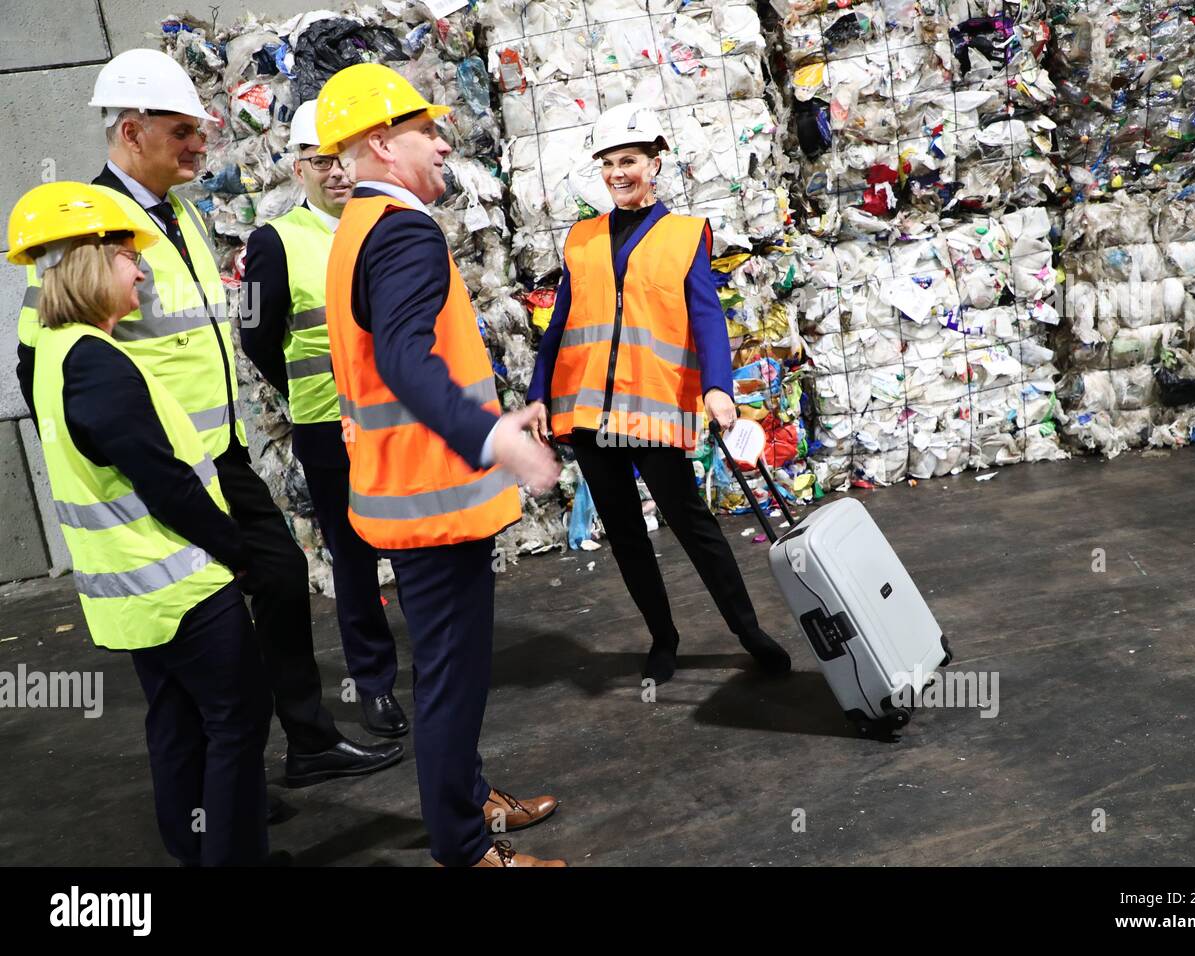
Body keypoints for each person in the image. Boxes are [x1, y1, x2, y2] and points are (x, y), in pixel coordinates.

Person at [12, 49, 400, 787]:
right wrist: (96, 454)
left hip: (217, 452)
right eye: (184, 131)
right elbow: (41, 360)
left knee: (278, 579)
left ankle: (299, 745)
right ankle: (225, 786)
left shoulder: (181, 214)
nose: (200, 146)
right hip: (155, 466)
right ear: (132, 132)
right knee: (207, 621)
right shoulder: (89, 224)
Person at [317, 63, 565, 867]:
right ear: (383, 144)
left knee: (448, 671)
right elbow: (404, 362)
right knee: (453, 680)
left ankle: (470, 802)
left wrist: (492, 417)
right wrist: (496, 442)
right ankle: (464, 848)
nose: (441, 142)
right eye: (427, 131)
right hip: (433, 499)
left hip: (407, 490)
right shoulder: (403, 230)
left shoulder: (356, 225)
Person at [7, 181, 272, 865]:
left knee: (179, 725)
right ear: (92, 263)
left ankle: (197, 847)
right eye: (129, 257)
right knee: (234, 724)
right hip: (180, 588)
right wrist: (236, 549)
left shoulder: (54, 354)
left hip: (136, 598)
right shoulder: (96, 363)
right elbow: (166, 484)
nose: (143, 269)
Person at [526, 103, 792, 685]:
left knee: (692, 524)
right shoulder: (581, 237)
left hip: (647, 407)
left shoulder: (683, 234)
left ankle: (748, 632)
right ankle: (662, 637)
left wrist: (719, 389)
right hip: (587, 409)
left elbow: (706, 315)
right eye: (608, 164)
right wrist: (539, 392)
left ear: (654, 164)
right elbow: (561, 324)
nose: (618, 173)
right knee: (623, 531)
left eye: (629, 161)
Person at [240, 101, 407, 739]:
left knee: (415, 543)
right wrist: (303, 392)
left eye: (343, 160)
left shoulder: (385, 225)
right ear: (297, 168)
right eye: (320, 162)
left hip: (399, 419)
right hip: (328, 425)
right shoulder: (273, 241)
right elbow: (255, 333)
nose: (336, 174)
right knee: (354, 555)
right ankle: (374, 683)